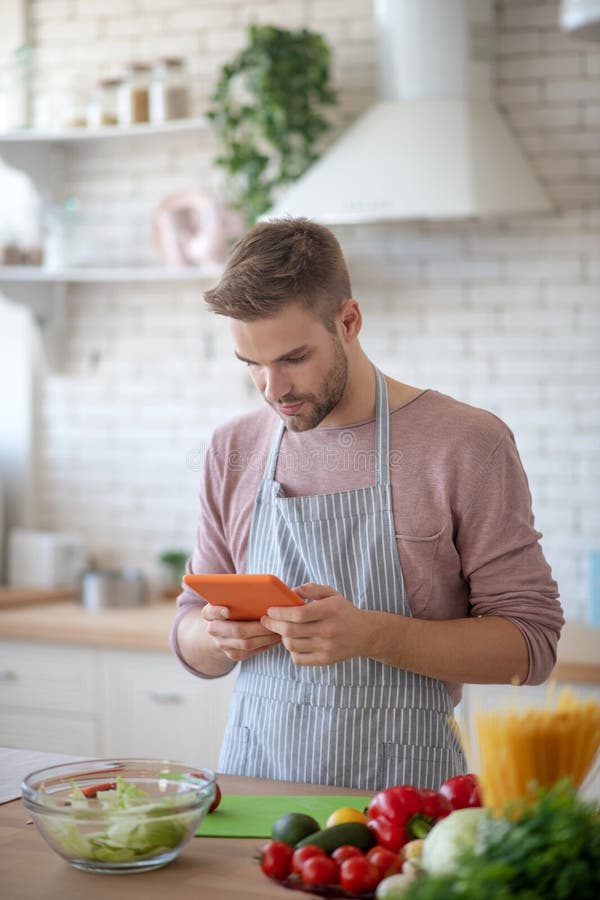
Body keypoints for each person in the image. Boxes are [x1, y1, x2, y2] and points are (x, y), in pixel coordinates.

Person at [171, 217, 563, 792]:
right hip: (255, 789)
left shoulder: (465, 443)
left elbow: (532, 647)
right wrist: (217, 639)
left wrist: (371, 635)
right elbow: (189, 633)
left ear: (348, 321)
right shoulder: (233, 449)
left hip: (406, 803)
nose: (272, 389)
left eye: (293, 358)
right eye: (251, 364)